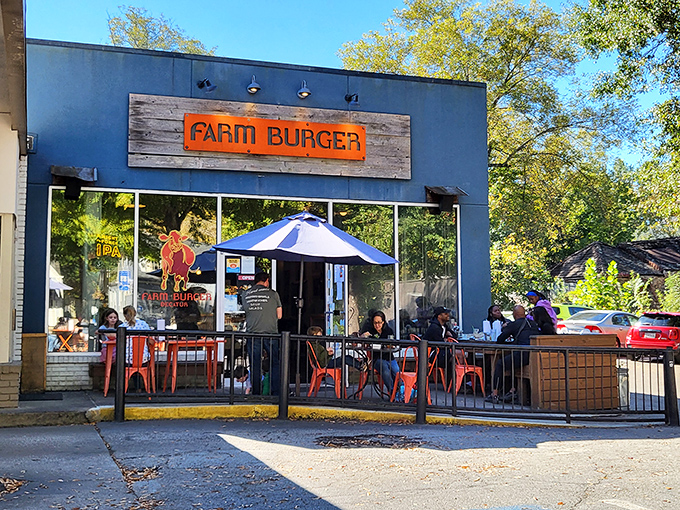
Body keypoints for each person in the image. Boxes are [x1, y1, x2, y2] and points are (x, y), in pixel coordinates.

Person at [485, 305, 540, 405]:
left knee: (500, 364)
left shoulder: (514, 324)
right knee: (511, 363)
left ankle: (495, 393)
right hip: (534, 356)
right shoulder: (533, 323)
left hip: (522, 355)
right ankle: (512, 390)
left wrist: (505, 329)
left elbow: (500, 340)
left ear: (514, 315)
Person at [242, 272, 282, 396]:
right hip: (270, 333)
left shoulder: (245, 294)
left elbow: (245, 311)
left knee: (254, 364)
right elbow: (279, 315)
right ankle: (275, 392)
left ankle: (256, 392)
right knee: (275, 362)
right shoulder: (273, 294)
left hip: (252, 333)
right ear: (266, 281)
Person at [361, 310, 399, 396]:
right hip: (376, 358)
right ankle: (393, 392)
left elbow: (393, 344)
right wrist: (364, 336)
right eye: (375, 323)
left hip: (389, 356)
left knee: (397, 372)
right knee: (385, 369)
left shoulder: (388, 331)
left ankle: (402, 391)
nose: (377, 325)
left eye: (379, 323)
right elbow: (362, 341)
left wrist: (391, 345)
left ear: (383, 322)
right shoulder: (370, 331)